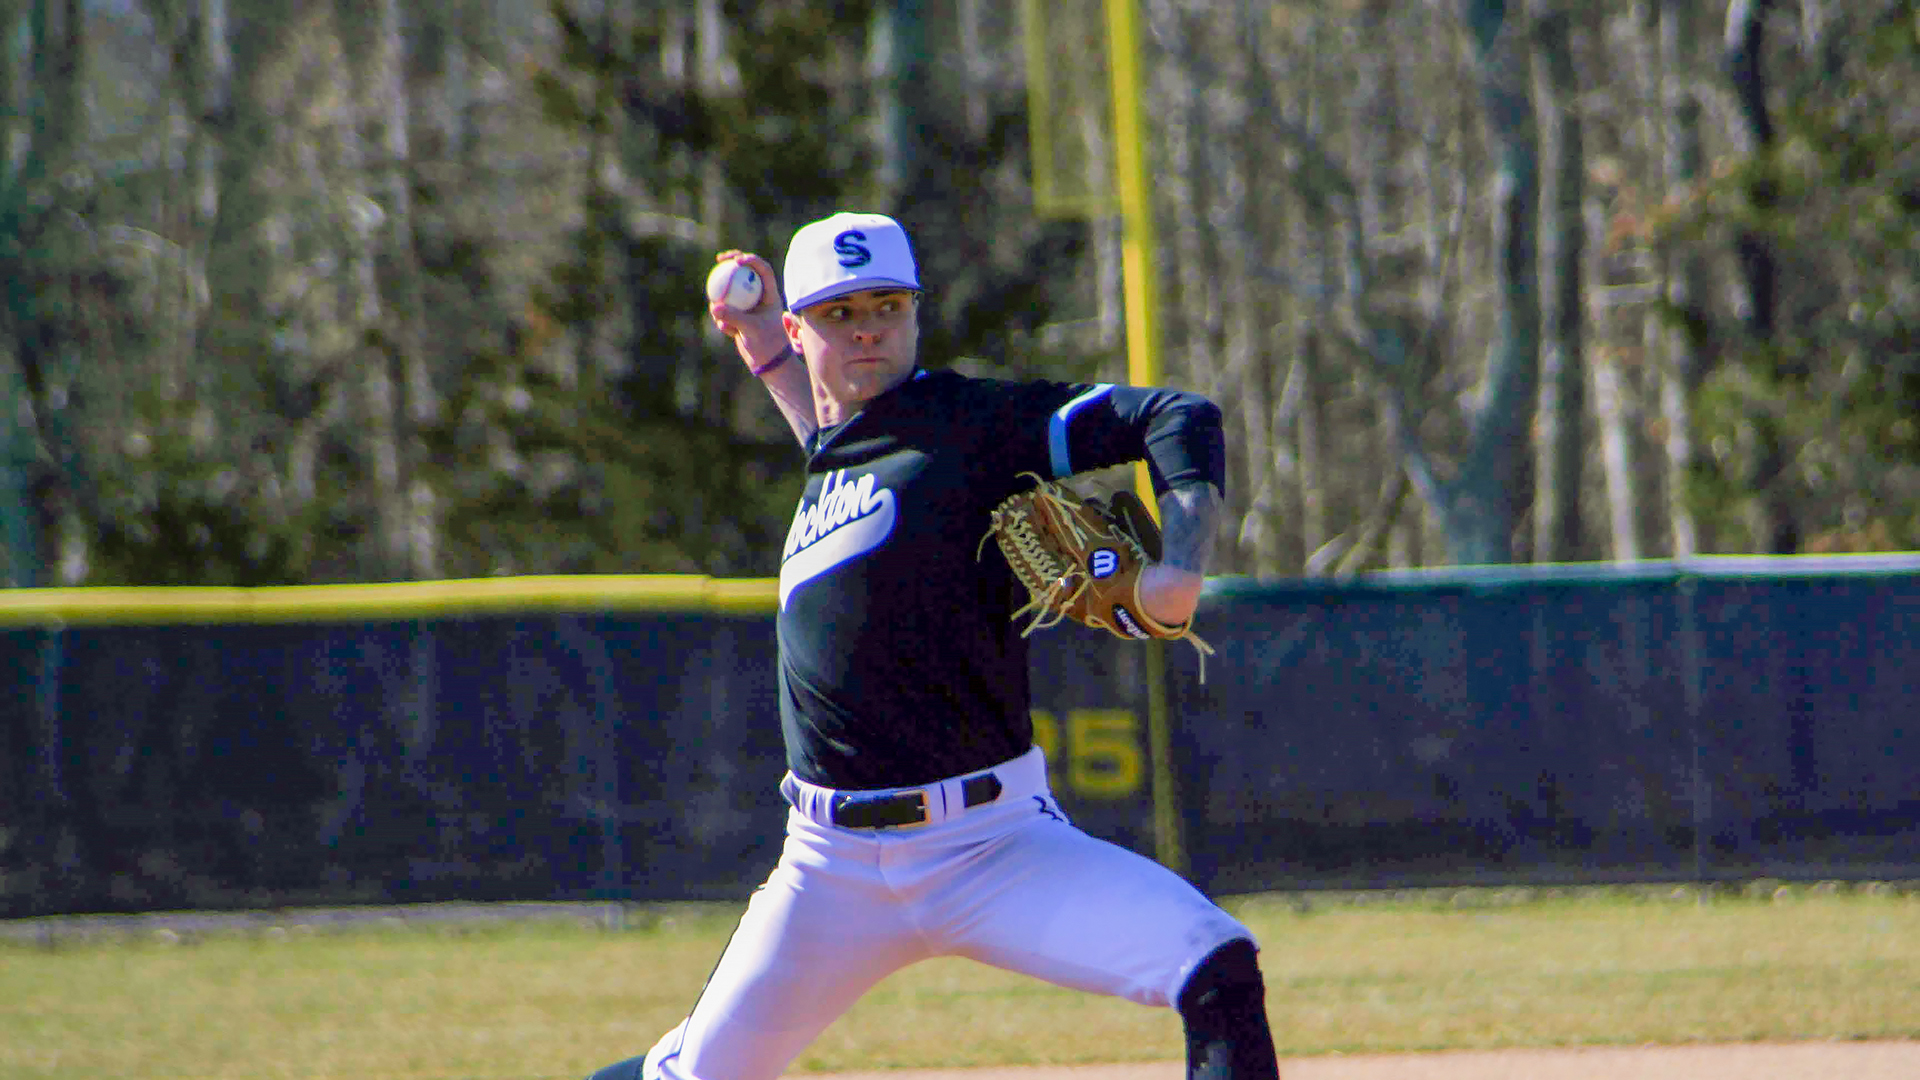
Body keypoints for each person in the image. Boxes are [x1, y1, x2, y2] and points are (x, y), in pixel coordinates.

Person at [585, 212, 1281, 1080]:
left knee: (1217, 966)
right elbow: (833, 433)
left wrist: (1178, 570)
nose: (869, 328)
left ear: (916, 312)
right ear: (802, 329)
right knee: (685, 1075)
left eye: (888, 305)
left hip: (994, 846)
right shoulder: (837, 453)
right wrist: (760, 341)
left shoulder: (970, 424)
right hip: (828, 870)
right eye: (841, 313)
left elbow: (1178, 415)